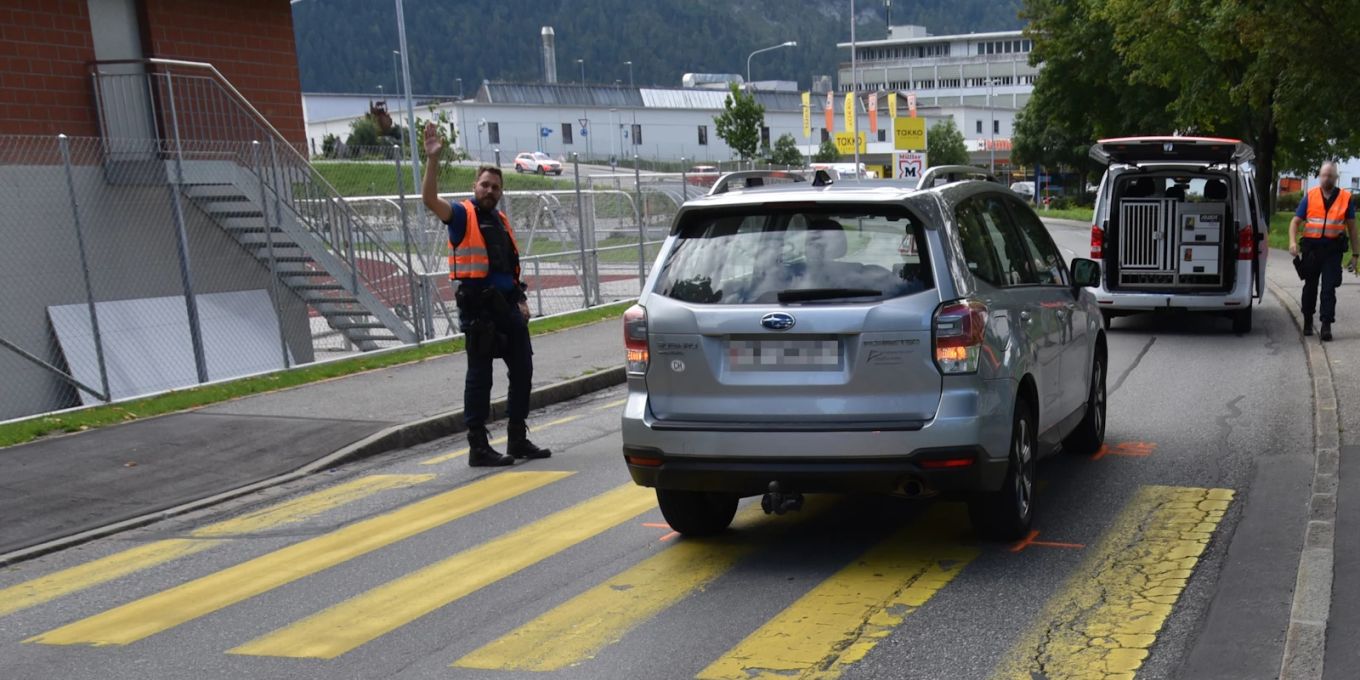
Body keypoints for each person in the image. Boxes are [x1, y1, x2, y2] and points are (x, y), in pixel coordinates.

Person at [422, 122, 550, 466]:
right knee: (480, 376)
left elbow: (510, 269)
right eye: (484, 184)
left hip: (507, 308)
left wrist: (521, 301)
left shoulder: (501, 221)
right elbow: (430, 200)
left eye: (495, 186)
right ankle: (478, 446)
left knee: (522, 369)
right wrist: (433, 160)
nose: (490, 190)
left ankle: (517, 439)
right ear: (474, 186)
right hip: (479, 310)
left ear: (501, 191)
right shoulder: (462, 215)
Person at [1289, 162, 1358, 341]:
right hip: (1312, 250)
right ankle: (1308, 319)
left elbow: (1352, 229)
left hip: (1332, 251)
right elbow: (1295, 222)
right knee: (1310, 287)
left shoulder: (1345, 198)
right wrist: (1292, 242)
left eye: (1330, 175)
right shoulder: (1310, 196)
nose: (1326, 178)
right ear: (1319, 176)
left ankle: (1326, 324)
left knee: (1328, 289)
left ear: (1336, 177)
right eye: (1323, 175)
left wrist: (1356, 255)